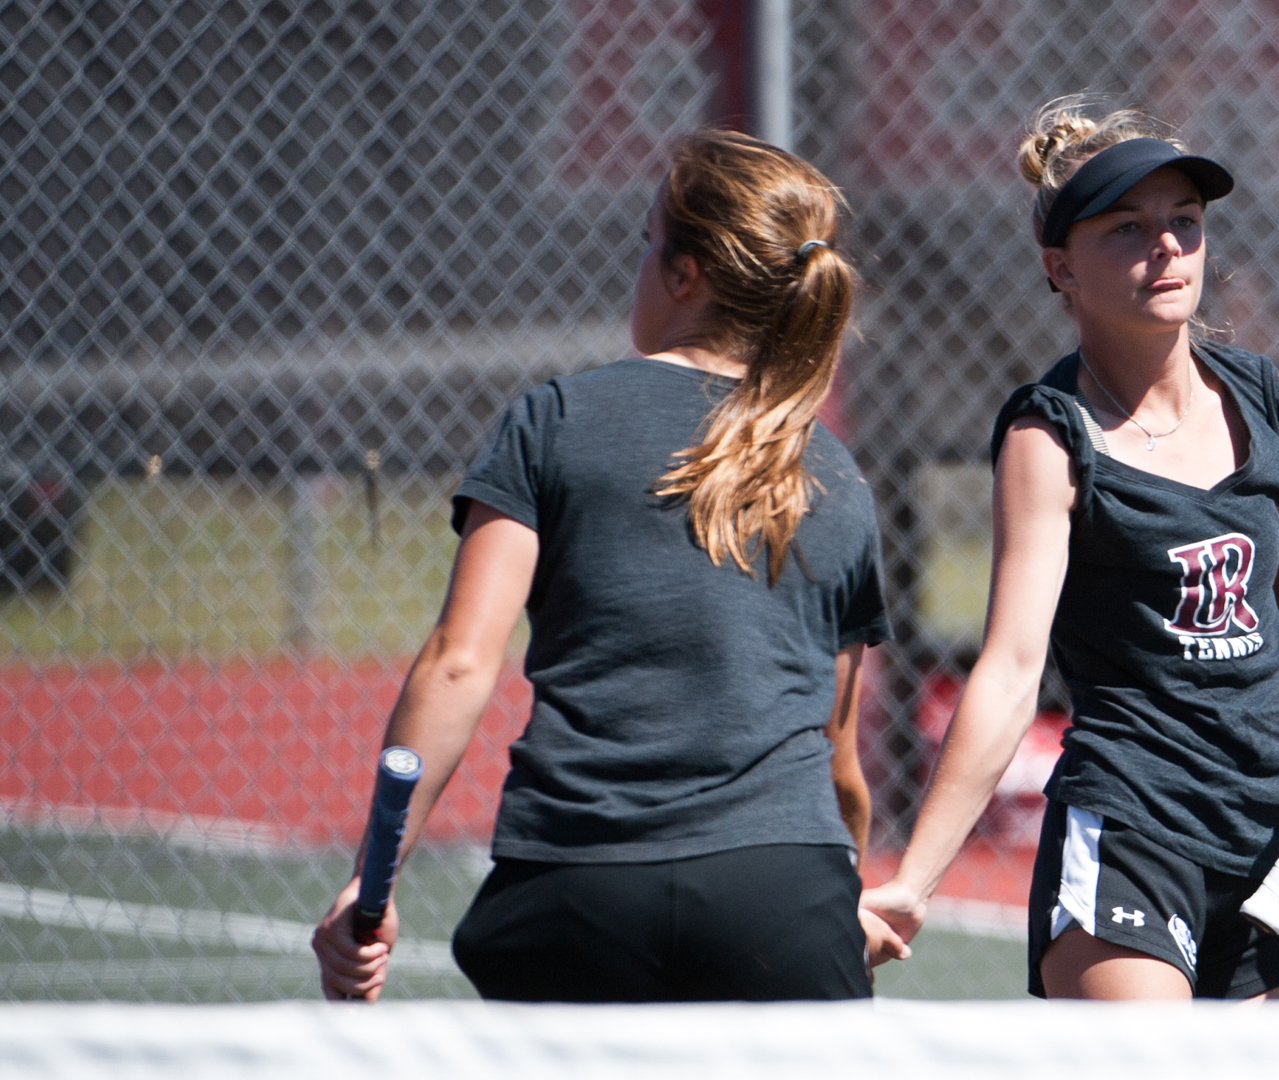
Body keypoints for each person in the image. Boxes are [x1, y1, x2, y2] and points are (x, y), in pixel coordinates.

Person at [859, 98, 1279, 1002]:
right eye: (1129, 229)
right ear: (1059, 267)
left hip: (1271, 830)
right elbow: (1012, 667)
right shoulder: (1050, 436)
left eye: (1185, 222)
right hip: (1132, 833)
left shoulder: (1264, 398)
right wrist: (914, 879)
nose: (1169, 248)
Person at [312, 129, 907, 1003]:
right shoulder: (837, 477)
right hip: (782, 893)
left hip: (578, 882)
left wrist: (374, 877)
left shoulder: (552, 421)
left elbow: (460, 660)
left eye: (647, 243)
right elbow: (839, 758)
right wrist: (835, 891)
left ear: (684, 274)